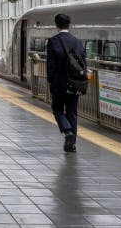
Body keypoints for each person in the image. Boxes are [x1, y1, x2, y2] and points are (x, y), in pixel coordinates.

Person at [46, 13, 87, 153]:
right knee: (72, 112)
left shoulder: (53, 41)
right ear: (69, 25)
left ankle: (67, 131)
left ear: (56, 25)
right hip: (75, 84)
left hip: (59, 84)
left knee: (57, 109)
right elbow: (83, 63)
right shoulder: (78, 42)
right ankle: (72, 145)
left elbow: (51, 65)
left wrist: (50, 81)